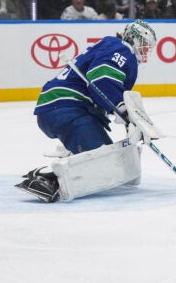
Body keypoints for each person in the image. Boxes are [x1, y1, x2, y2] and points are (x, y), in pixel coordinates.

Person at [16, 20, 158, 203]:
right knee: (103, 165)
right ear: (133, 38)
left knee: (112, 163)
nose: (146, 52)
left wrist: (129, 118)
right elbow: (102, 78)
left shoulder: (113, 46)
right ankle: (47, 177)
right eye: (144, 45)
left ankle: (73, 152)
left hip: (63, 108)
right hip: (67, 109)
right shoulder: (122, 48)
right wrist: (121, 108)